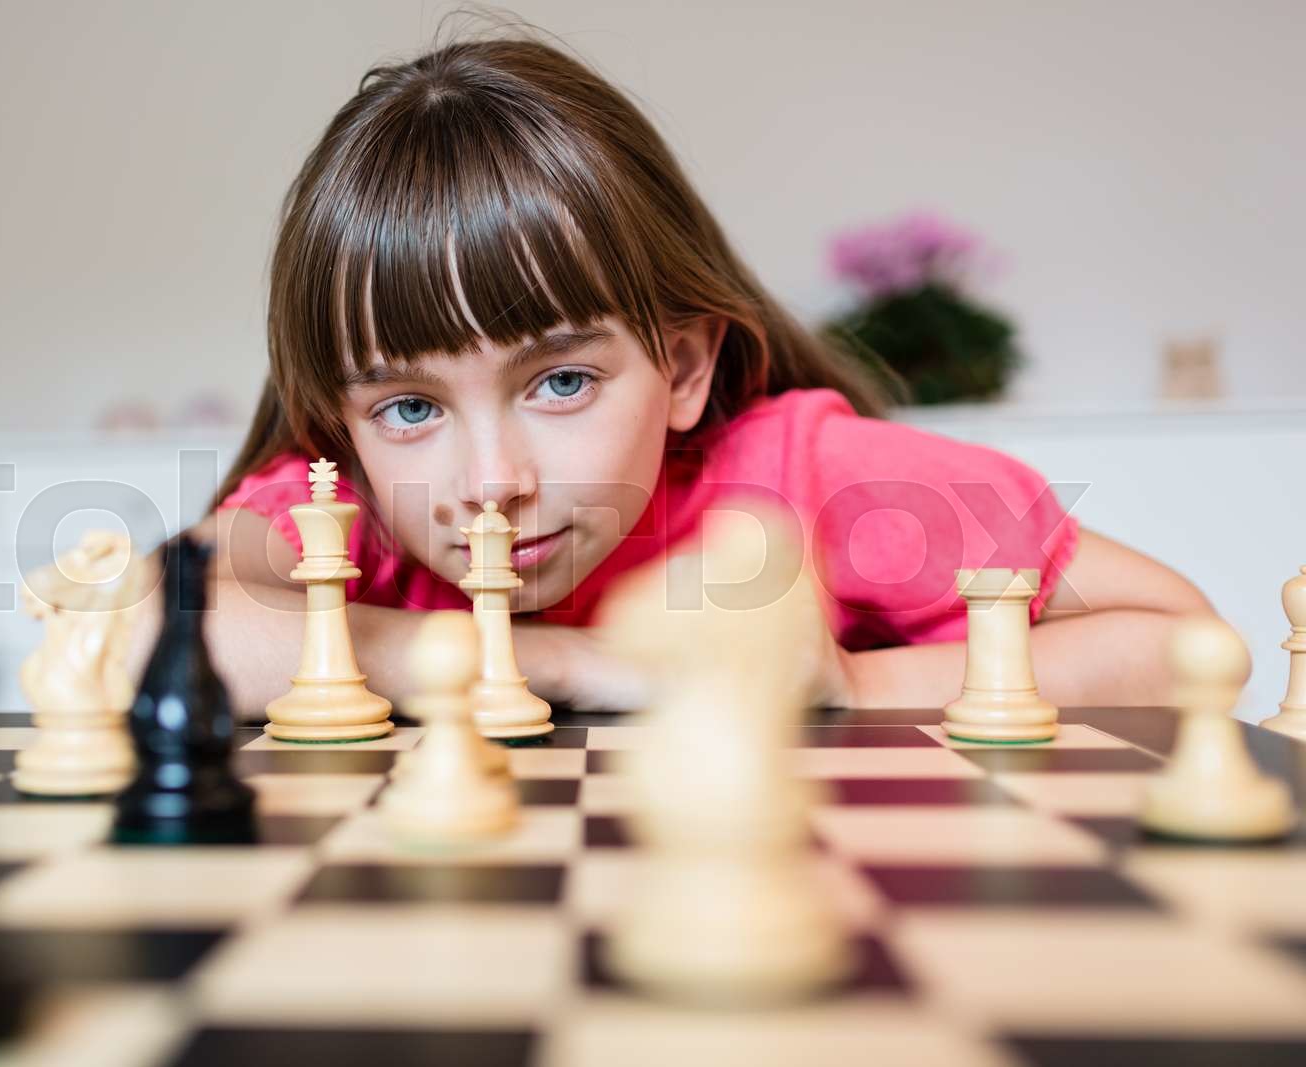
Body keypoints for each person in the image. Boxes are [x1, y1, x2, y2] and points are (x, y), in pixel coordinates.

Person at [180, 25, 1221, 716]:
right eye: (410, 406)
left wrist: (849, 684)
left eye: (560, 381)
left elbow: (1183, 643)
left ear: (681, 366)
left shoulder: (808, 476)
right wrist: (565, 663)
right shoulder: (344, 503)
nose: (491, 482)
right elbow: (145, 625)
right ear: (346, 420)